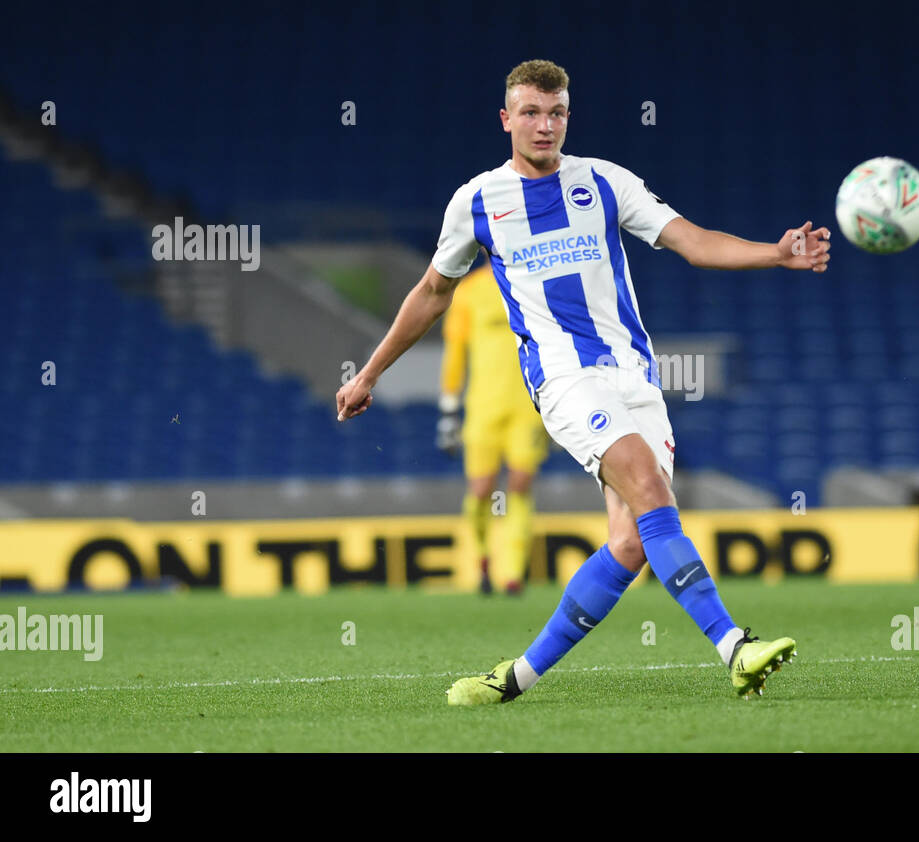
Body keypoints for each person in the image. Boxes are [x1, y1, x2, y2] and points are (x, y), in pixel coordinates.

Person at [336, 59, 830, 702]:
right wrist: (368, 373)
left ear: (568, 115)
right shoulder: (477, 201)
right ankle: (734, 646)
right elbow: (432, 293)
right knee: (650, 488)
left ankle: (513, 679)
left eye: (557, 112)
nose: (545, 126)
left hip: (634, 378)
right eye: (532, 113)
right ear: (506, 119)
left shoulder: (603, 181)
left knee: (629, 543)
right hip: (563, 379)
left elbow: (692, 241)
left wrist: (774, 251)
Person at [437, 255, 548, 595]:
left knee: (519, 484)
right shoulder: (468, 291)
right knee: (482, 490)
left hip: (527, 406)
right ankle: (482, 559)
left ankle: (513, 573)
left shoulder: (535, 286)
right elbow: (455, 352)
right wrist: (448, 410)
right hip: (483, 407)